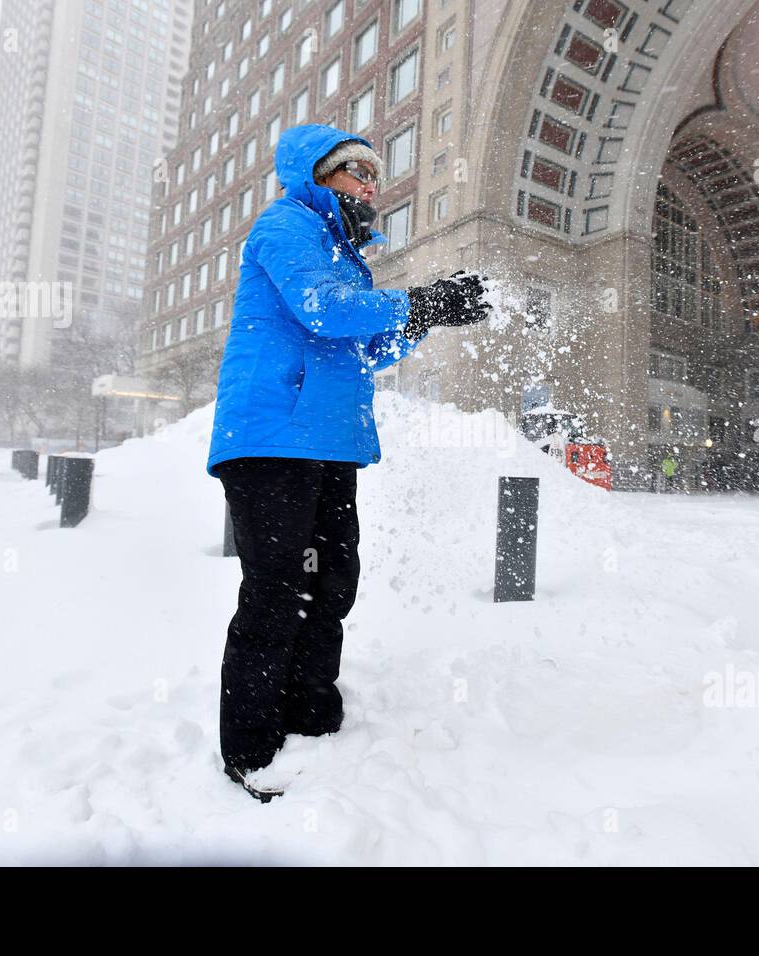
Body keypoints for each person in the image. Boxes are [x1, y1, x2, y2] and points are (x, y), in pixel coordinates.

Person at [206, 124, 491, 802]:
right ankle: (251, 750)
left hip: (329, 442)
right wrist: (416, 299)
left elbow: (363, 349)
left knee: (329, 584)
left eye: (373, 177)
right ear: (319, 176)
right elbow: (323, 311)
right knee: (275, 592)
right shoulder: (287, 225)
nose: (371, 187)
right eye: (357, 174)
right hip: (274, 439)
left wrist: (426, 318)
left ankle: (310, 715)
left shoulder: (341, 250)